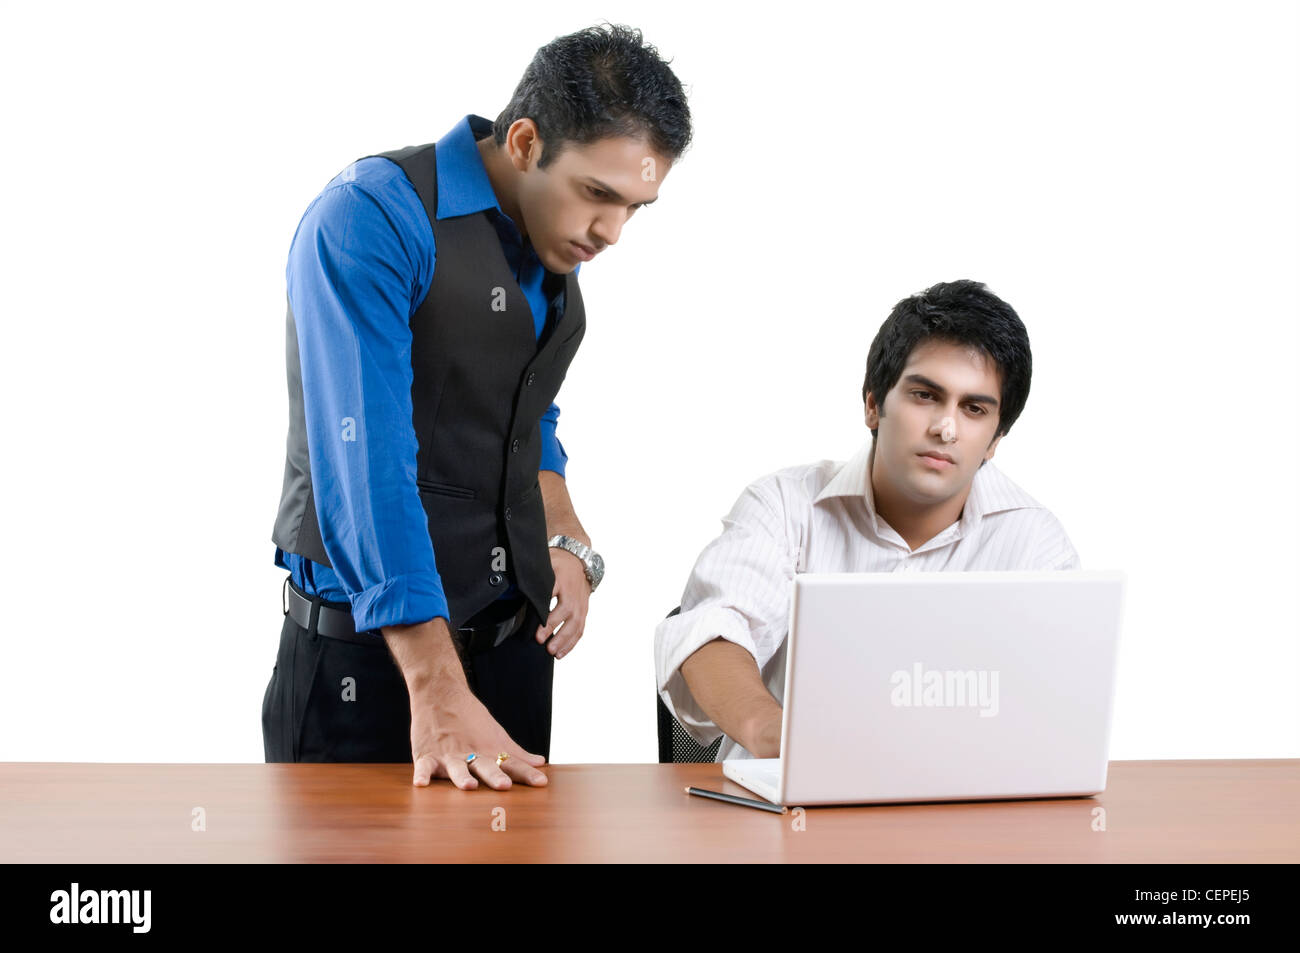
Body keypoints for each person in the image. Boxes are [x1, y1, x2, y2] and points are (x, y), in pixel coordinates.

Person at [264, 23, 692, 790]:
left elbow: (527, 406)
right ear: (525, 142)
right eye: (598, 195)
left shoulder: (547, 239)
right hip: (371, 673)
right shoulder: (371, 219)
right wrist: (435, 685)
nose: (613, 232)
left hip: (509, 656)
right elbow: (365, 467)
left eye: (635, 206)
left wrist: (560, 524)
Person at [654, 280, 1080, 762]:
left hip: (963, 816)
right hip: (784, 814)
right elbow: (712, 629)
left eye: (974, 408)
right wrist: (777, 735)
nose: (946, 428)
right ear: (874, 404)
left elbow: (1054, 711)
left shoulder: (1034, 545)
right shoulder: (785, 505)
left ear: (996, 438)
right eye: (925, 395)